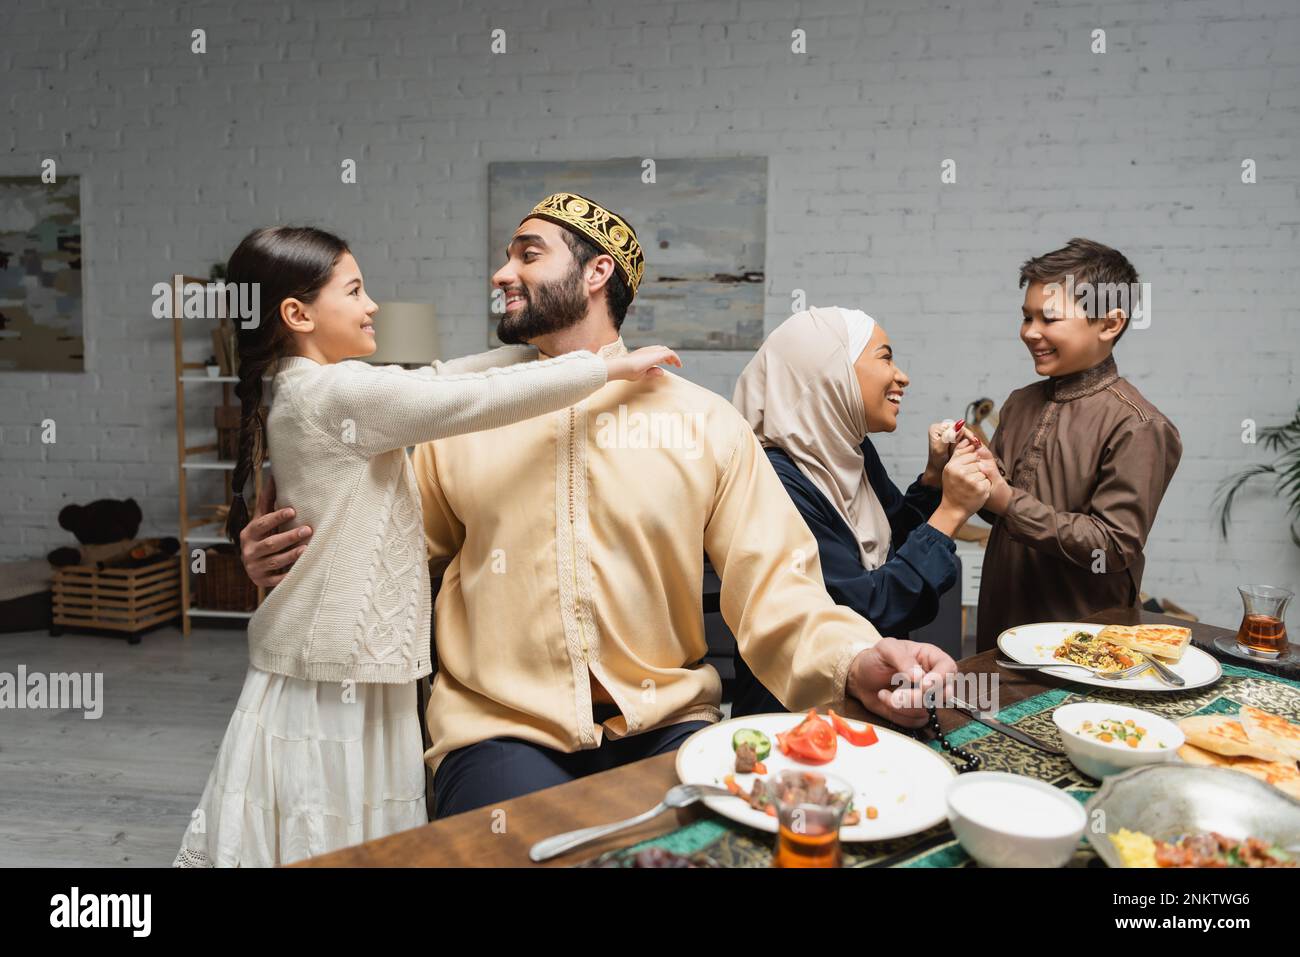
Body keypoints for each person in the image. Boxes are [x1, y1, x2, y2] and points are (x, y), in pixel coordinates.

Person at [241, 194, 959, 822]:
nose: (501, 274)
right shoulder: (453, 424)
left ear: (597, 272)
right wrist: (281, 550)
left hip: (670, 724)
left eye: (527, 253)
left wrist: (857, 657)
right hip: (498, 730)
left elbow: (781, 594)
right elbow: (384, 552)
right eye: (504, 256)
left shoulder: (706, 425)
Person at [173, 224, 678, 866]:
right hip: (338, 669)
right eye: (354, 291)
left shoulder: (309, 388)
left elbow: (439, 378)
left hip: (339, 661)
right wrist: (602, 366)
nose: (372, 305)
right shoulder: (335, 394)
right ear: (297, 314)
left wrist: (550, 357)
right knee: (329, 823)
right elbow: (464, 399)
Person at [729, 305, 990, 716]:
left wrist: (934, 479)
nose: (902, 376)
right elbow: (868, 608)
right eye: (885, 357)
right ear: (829, 373)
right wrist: (952, 513)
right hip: (796, 714)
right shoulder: (777, 480)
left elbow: (894, 544)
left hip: (872, 691)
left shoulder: (851, 452)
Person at [973, 238, 1182, 652]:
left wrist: (1007, 500)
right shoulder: (1020, 402)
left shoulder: (1139, 425)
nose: (1030, 332)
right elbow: (993, 509)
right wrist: (972, 469)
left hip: (1081, 645)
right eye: (1026, 317)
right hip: (998, 631)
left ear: (1109, 323)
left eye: (1049, 318)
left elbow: (1114, 545)